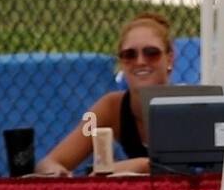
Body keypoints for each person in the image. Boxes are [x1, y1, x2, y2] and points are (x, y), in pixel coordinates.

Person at [35, 12, 175, 177]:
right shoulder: (109, 108)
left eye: (151, 53)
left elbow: (187, 172)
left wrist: (141, 165)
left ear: (170, 60)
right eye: (129, 55)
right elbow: (49, 162)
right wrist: (56, 172)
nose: (140, 61)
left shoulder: (188, 105)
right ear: (121, 63)